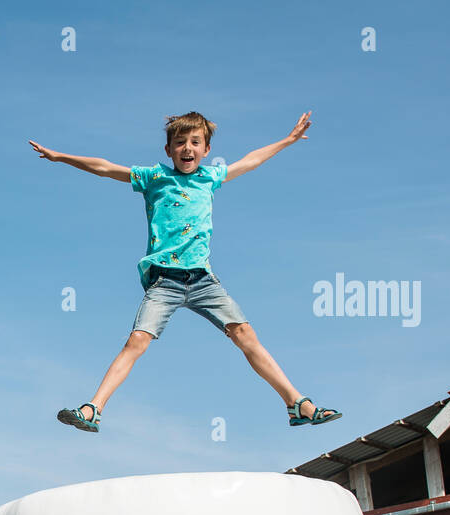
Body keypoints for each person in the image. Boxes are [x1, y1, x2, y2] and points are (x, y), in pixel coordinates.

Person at [28, 111, 341, 433]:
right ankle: (93, 408)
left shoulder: (211, 178)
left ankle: (297, 404)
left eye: (195, 143)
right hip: (165, 279)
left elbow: (251, 161)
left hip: (203, 279)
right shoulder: (154, 178)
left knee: (245, 335)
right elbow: (106, 167)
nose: (187, 148)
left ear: (206, 150)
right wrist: (61, 157)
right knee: (137, 340)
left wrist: (287, 141)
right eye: (179, 143)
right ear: (168, 150)